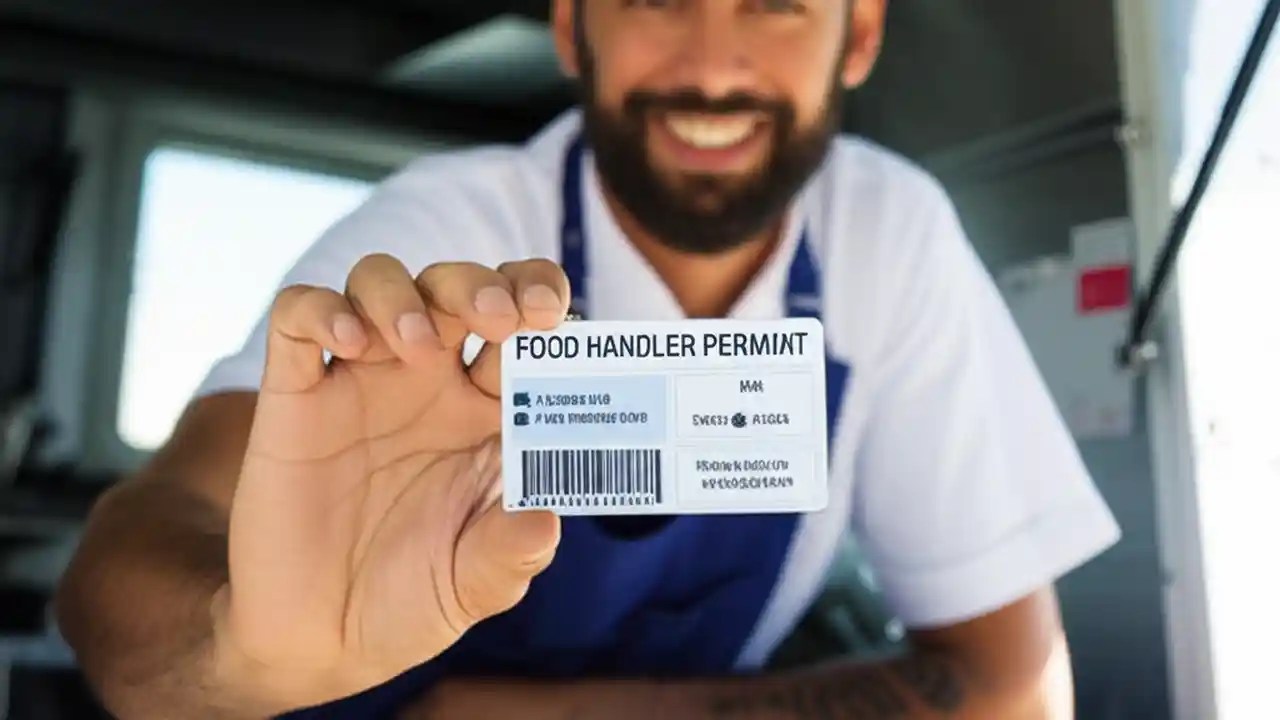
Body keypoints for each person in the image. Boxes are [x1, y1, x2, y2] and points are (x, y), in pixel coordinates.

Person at [56, 1, 1122, 718]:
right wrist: (237, 652)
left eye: (775, 0)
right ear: (571, 26)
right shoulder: (453, 227)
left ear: (857, 34)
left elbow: (1010, 688)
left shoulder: (885, 241)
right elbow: (131, 561)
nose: (712, 67)